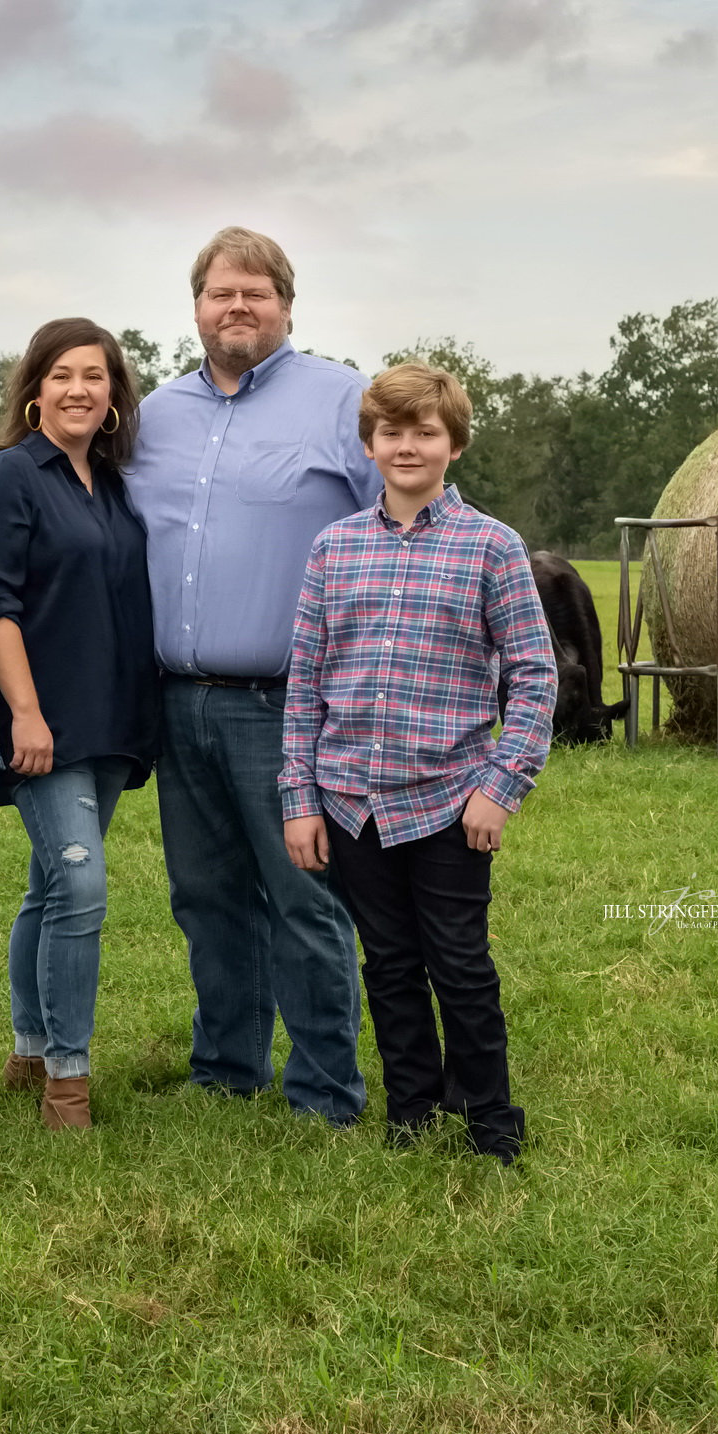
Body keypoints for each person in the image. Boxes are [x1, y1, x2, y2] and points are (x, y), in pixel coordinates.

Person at [125, 226, 377, 1125]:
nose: (238, 307)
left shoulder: (344, 400)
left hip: (290, 705)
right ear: (196, 307)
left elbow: (419, 512)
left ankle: (323, 1089)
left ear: (286, 305)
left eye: (256, 293)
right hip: (177, 702)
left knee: (305, 895)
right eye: (221, 293)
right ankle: (227, 1067)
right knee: (205, 895)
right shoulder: (152, 416)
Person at [278, 363, 557, 1163]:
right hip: (350, 799)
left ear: (454, 444)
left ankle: (491, 1120)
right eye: (392, 432)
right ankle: (412, 1110)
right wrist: (301, 796)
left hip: (450, 801)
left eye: (425, 432)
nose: (407, 446)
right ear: (369, 444)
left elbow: (535, 674)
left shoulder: (491, 548)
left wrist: (500, 787)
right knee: (390, 963)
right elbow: (306, 683)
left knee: (459, 963)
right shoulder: (334, 550)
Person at [0, 318, 159, 1131]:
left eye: (96, 376)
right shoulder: (11, 476)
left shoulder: (110, 483)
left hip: (113, 720)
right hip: (45, 726)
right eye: (62, 375)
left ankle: (29, 1047)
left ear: (114, 395)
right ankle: (67, 1083)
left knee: (50, 888)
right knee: (80, 888)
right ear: (34, 388)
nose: (80, 389)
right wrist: (27, 713)